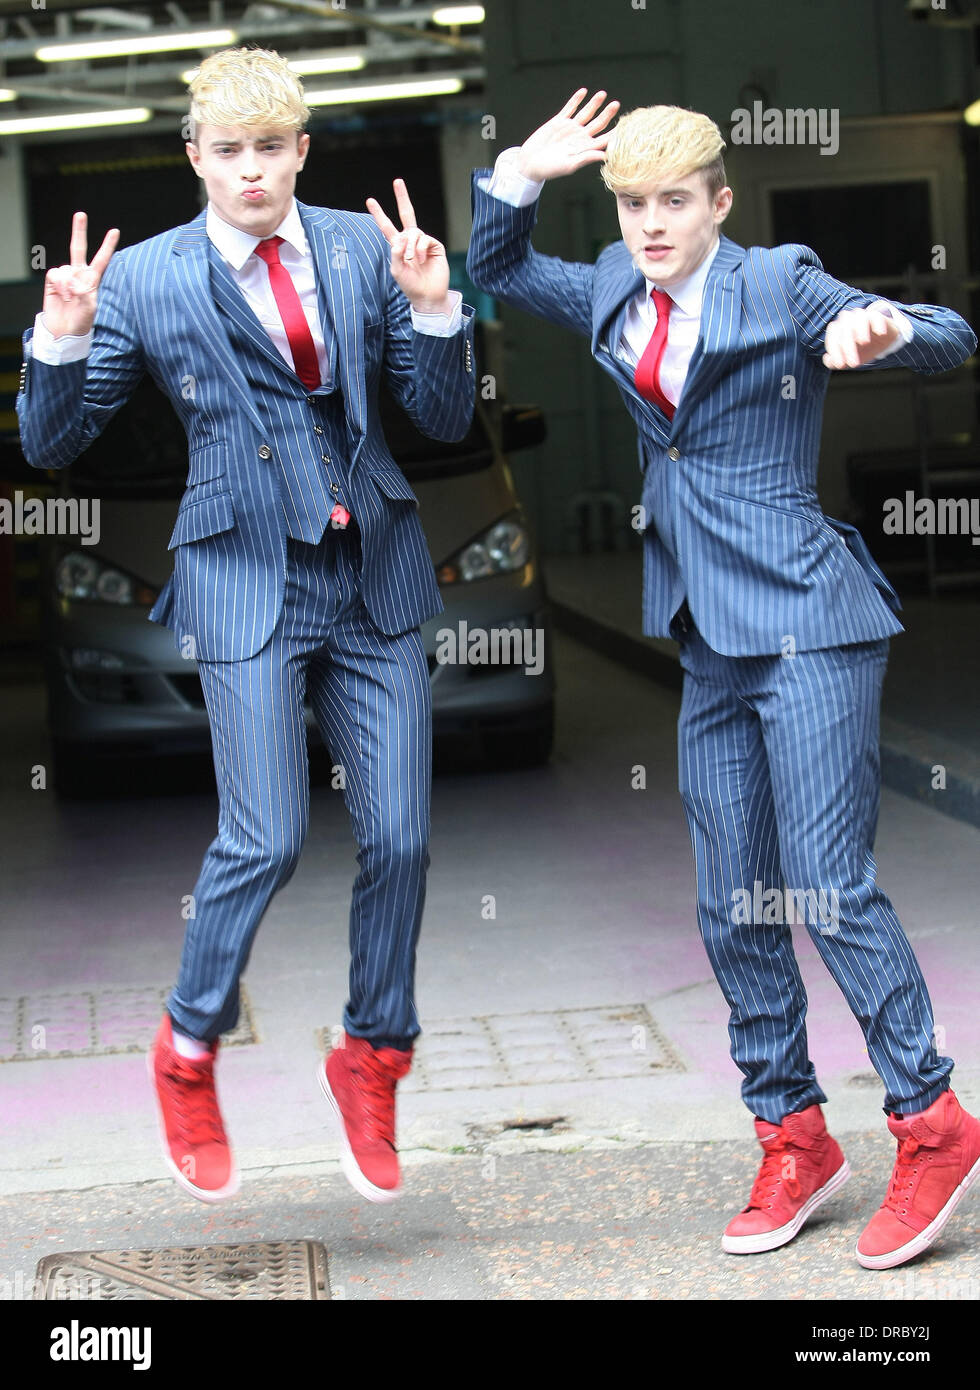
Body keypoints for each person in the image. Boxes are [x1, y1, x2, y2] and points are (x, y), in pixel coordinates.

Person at [467, 90, 980, 1269]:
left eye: (672, 205)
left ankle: (929, 1120)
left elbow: (950, 336)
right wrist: (520, 170)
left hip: (807, 617)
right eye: (634, 205)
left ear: (718, 202)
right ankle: (791, 1131)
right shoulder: (606, 281)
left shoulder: (780, 281)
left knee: (824, 885)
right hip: (706, 629)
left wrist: (885, 334)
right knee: (727, 898)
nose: (650, 227)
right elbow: (499, 265)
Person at [17, 47, 475, 1206]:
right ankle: (186, 1046)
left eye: (273, 148)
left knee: (405, 839)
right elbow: (50, 446)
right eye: (229, 151)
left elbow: (435, 410)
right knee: (264, 837)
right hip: (242, 580)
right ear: (195, 159)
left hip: (369, 573)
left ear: (302, 151)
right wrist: (62, 337)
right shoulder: (148, 281)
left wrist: (431, 311)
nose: (253, 170)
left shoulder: (365, 249)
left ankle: (371, 1054)